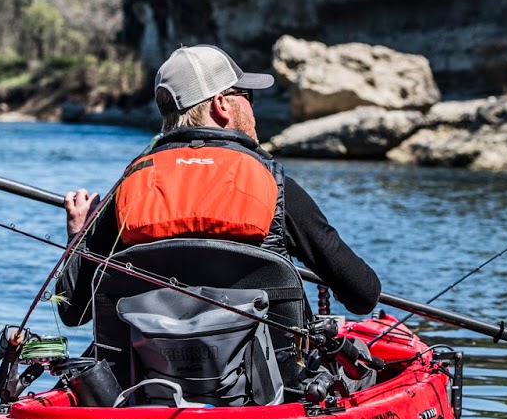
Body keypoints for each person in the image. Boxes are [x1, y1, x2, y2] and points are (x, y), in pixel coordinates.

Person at [54, 44, 383, 335]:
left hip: (148, 384)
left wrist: (78, 236)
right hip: (273, 392)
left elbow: (73, 310)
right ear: (221, 104)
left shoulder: (132, 188)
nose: (252, 109)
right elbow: (363, 294)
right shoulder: (275, 185)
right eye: (247, 97)